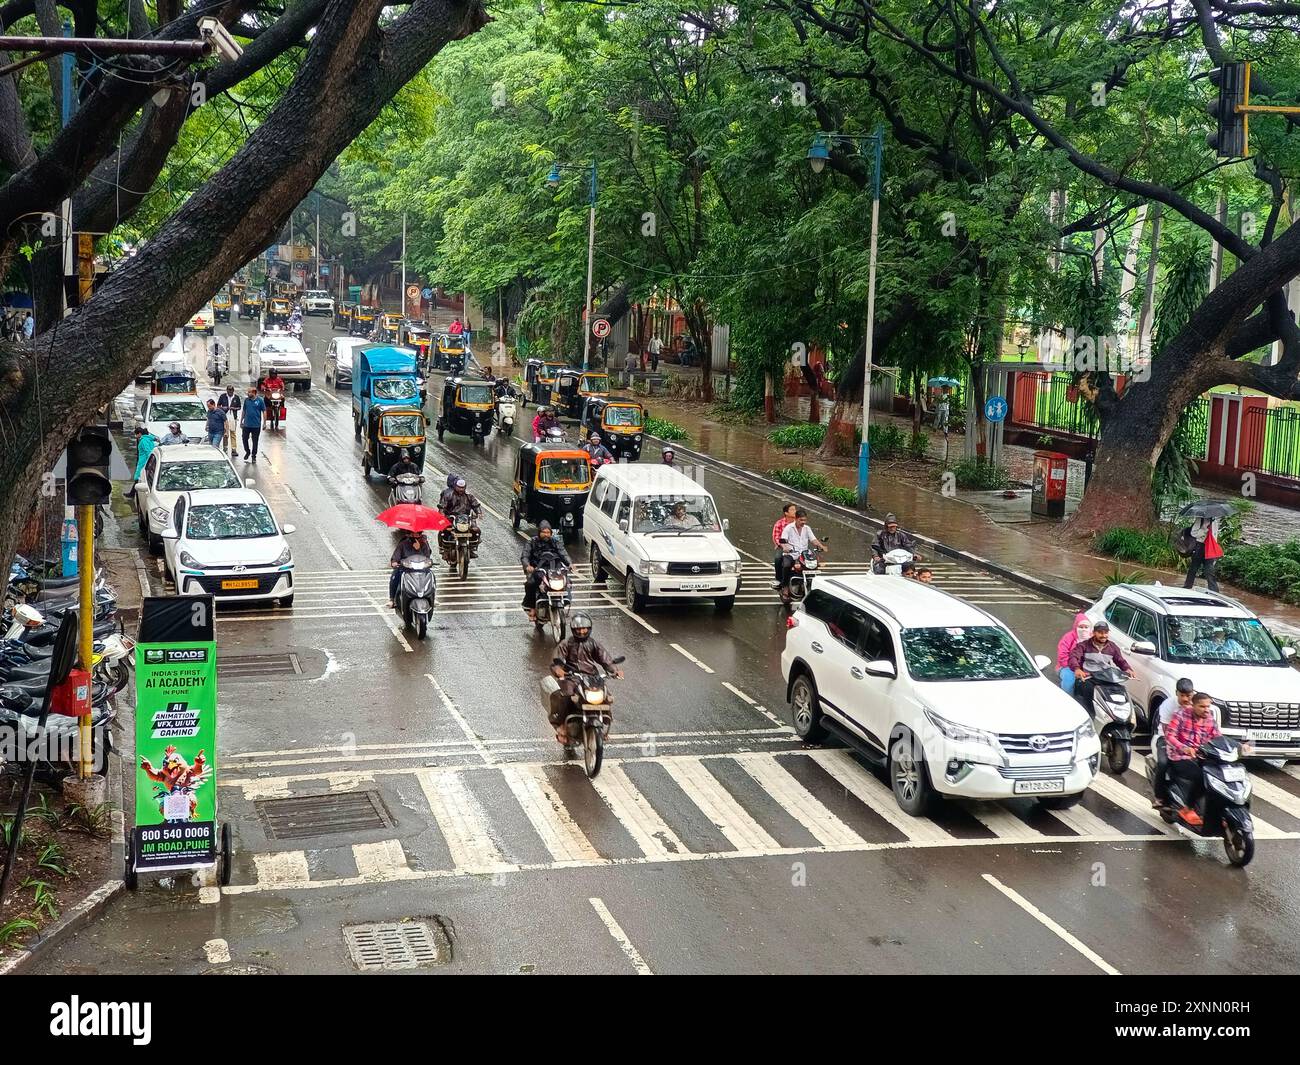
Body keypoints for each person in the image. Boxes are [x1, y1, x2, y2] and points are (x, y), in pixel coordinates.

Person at [548, 613, 623, 744]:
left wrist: (615, 671)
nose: (582, 631)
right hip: (572, 676)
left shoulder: (593, 643)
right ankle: (562, 726)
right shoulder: (566, 643)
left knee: (606, 696)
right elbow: (557, 660)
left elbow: (605, 659)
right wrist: (559, 670)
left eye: (585, 628)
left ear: (589, 629)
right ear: (573, 629)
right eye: (579, 629)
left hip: (591, 677)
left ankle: (604, 724)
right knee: (566, 696)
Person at [1164, 693, 1224, 825]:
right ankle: (1188, 808)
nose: (1206, 709)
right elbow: (1170, 736)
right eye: (1202, 706)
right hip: (1179, 756)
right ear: (1193, 705)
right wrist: (1184, 748)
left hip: (1202, 756)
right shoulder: (1180, 715)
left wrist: (1237, 747)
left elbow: (1218, 738)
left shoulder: (1209, 719)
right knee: (1202, 777)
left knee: (1220, 776)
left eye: (1208, 706)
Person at [1151, 678, 1195, 808]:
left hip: (1189, 742)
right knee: (1163, 764)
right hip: (1165, 739)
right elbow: (1167, 732)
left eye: (1189, 695)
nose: (1186, 699)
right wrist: (1181, 746)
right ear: (1176, 693)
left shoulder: (1197, 705)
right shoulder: (1167, 705)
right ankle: (1159, 797)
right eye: (1182, 696)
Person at [521, 520, 571, 621]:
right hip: (537, 569)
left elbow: (563, 553)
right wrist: (528, 566)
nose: (546, 534)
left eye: (548, 532)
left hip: (554, 569)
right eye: (544, 532)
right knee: (531, 583)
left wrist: (570, 563)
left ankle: (566, 601)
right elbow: (525, 555)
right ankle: (532, 607)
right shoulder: (532, 542)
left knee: (568, 582)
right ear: (539, 532)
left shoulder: (555, 542)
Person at [778, 509, 829, 602]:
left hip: (804, 555)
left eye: (805, 520)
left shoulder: (807, 528)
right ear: (796, 519)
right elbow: (783, 541)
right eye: (801, 520)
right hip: (791, 554)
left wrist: (821, 546)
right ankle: (785, 588)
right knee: (786, 565)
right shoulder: (788, 528)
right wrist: (785, 547)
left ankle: (809, 586)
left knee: (815, 566)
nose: (803, 522)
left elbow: (813, 540)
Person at [1068, 619, 1135, 682]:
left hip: (1106, 678)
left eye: (1106, 633)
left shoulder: (1112, 647)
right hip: (1087, 677)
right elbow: (1073, 656)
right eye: (1100, 633)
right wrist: (1077, 669)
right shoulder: (1083, 645)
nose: (1104, 635)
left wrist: (1128, 669)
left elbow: (1120, 660)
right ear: (1094, 633)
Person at [388, 531, 432, 607]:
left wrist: (419, 549)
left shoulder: (424, 543)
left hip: (421, 568)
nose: (415, 535)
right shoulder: (403, 543)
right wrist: (394, 562)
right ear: (410, 533)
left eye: (417, 533)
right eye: (413, 533)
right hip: (406, 568)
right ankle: (392, 599)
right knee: (395, 575)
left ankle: (431, 597)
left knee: (431, 575)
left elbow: (427, 557)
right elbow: (396, 556)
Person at [1183, 513, 1222, 592]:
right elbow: (1194, 533)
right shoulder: (1207, 520)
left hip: (1204, 547)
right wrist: (1205, 533)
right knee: (1201, 569)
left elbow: (1194, 533)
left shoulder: (1208, 520)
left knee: (1201, 569)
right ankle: (1188, 587)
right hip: (1205, 547)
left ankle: (1213, 591)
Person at [1056, 613, 1092, 695]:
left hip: (1086, 667)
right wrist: (1076, 668)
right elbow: (1062, 656)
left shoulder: (1092, 639)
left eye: (1086, 627)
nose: (1083, 629)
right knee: (1069, 680)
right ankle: (1066, 698)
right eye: (1081, 627)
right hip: (1067, 666)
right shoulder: (1068, 637)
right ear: (1076, 627)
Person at [771, 503, 797, 585]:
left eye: (795, 509)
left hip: (797, 547)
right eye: (792, 510)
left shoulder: (799, 523)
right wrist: (784, 546)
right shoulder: (779, 523)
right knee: (778, 559)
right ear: (786, 513)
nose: (795, 511)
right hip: (782, 547)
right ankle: (778, 579)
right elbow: (776, 537)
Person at [240, 386, 266, 460]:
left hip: (256, 425)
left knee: (255, 441)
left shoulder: (260, 401)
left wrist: (264, 423)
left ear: (254, 393)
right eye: (248, 392)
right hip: (246, 424)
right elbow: (244, 411)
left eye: (249, 392)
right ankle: (247, 451)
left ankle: (254, 455)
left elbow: (264, 411)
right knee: (244, 438)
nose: (248, 393)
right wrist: (241, 421)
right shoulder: (246, 400)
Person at [217, 385, 241, 452]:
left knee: (233, 432)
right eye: (228, 390)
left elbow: (239, 407)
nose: (230, 392)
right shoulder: (223, 396)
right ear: (227, 390)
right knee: (225, 433)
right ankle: (225, 447)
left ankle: (234, 448)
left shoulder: (236, 397)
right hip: (224, 417)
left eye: (231, 390)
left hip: (233, 417)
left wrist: (234, 408)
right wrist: (223, 408)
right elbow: (218, 406)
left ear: (233, 391)